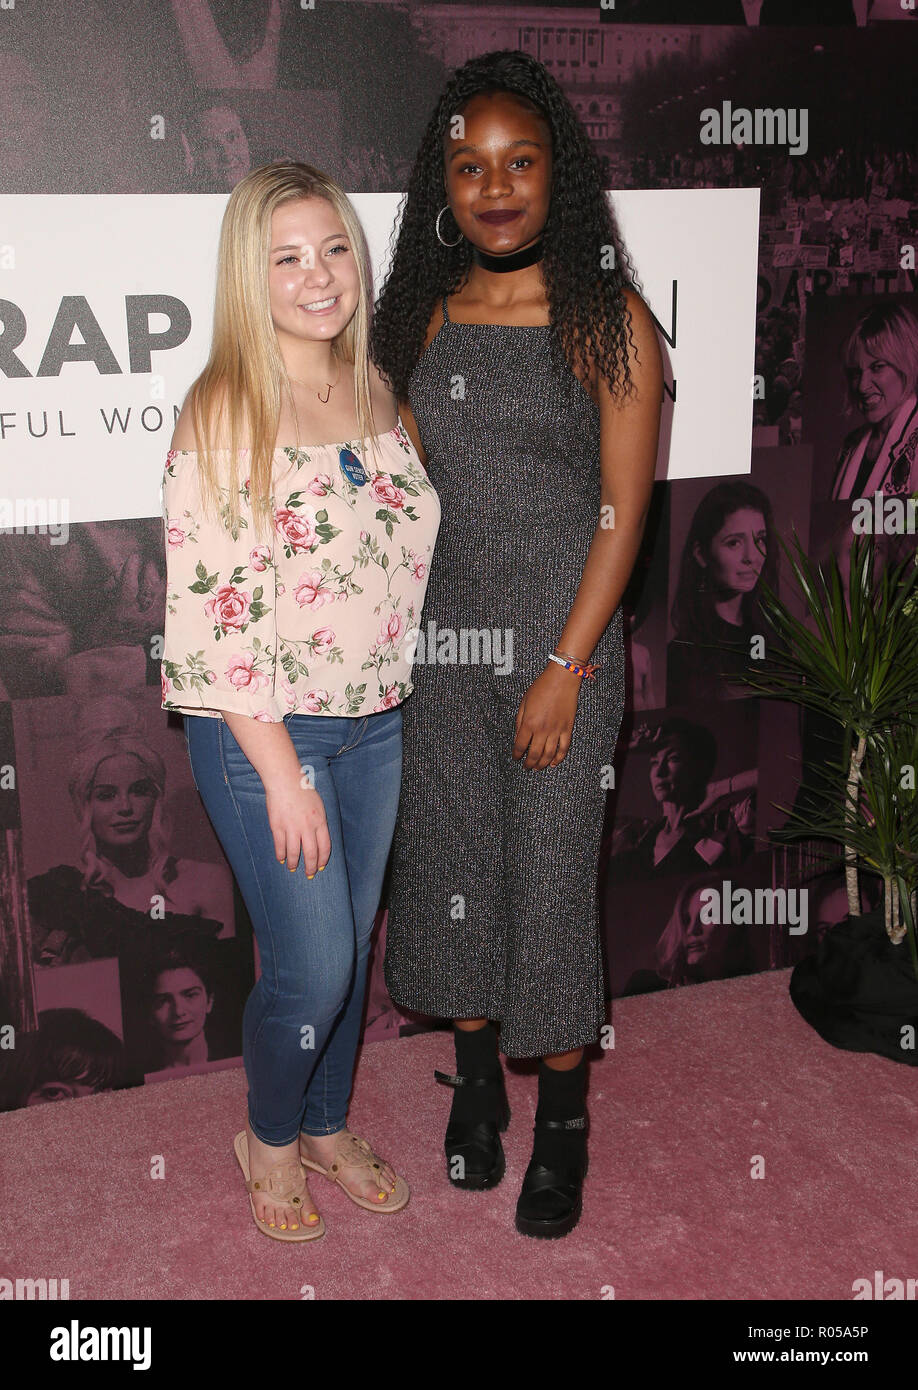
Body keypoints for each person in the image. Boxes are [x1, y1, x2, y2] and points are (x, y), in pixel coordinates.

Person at [371, 51, 662, 1239]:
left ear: (561, 177)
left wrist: (567, 665)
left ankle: (566, 1127)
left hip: (562, 645)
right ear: (443, 182)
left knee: (546, 888)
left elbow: (626, 512)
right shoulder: (422, 311)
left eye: (521, 162)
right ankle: (477, 1090)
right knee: (454, 872)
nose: (495, 187)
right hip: (441, 645)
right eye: (470, 165)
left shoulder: (610, 317)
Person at [161, 161, 440, 1242]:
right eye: (286, 256)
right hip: (267, 733)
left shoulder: (375, 388)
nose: (317, 275)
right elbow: (214, 616)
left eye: (332, 249)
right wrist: (283, 773)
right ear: (250, 275)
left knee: (354, 950)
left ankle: (327, 1125)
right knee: (313, 963)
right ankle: (270, 1140)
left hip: (377, 722)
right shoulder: (227, 406)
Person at [28, 696, 231, 965]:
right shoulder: (63, 898)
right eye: (106, 795)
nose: (125, 807)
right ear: (84, 804)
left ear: (155, 798)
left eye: (138, 791)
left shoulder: (208, 883)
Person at [667, 481, 779, 706]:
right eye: (734, 543)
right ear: (701, 554)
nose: (752, 556)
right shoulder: (682, 655)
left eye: (760, 540)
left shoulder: (775, 637)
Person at [606, 718, 757, 881]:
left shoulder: (724, 825)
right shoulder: (636, 836)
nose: (659, 772)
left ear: (698, 767)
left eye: (673, 759)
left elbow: (778, 771)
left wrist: (716, 789)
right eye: (654, 762)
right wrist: (626, 746)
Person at [830, 303, 918, 501]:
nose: (862, 386)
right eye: (856, 373)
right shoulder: (850, 445)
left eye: (877, 367)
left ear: (907, 364)